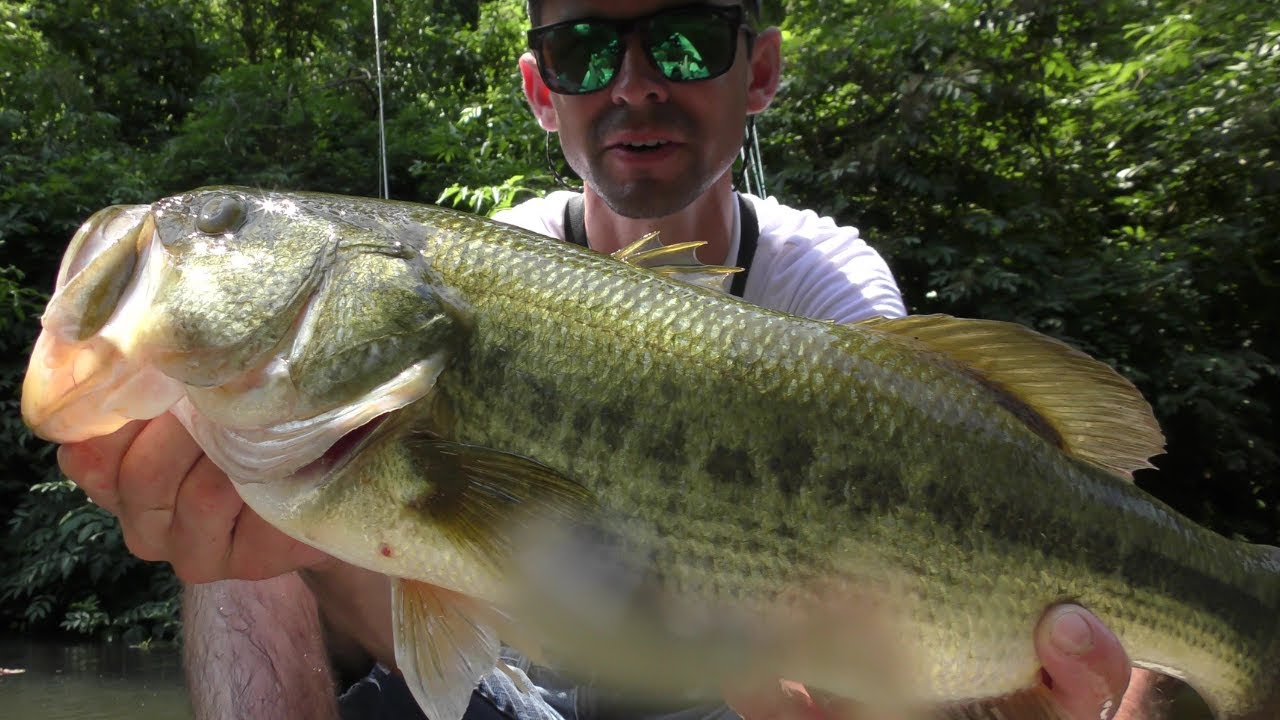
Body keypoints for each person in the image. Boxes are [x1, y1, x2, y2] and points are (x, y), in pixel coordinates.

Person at [57, 1, 1158, 718]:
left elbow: (925, 474)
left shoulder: (829, 283)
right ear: (543, 92)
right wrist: (271, 506)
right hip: (528, 691)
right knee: (249, 548)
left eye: (682, 39)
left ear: (759, 71)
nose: (634, 82)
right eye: (587, 48)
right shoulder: (497, 270)